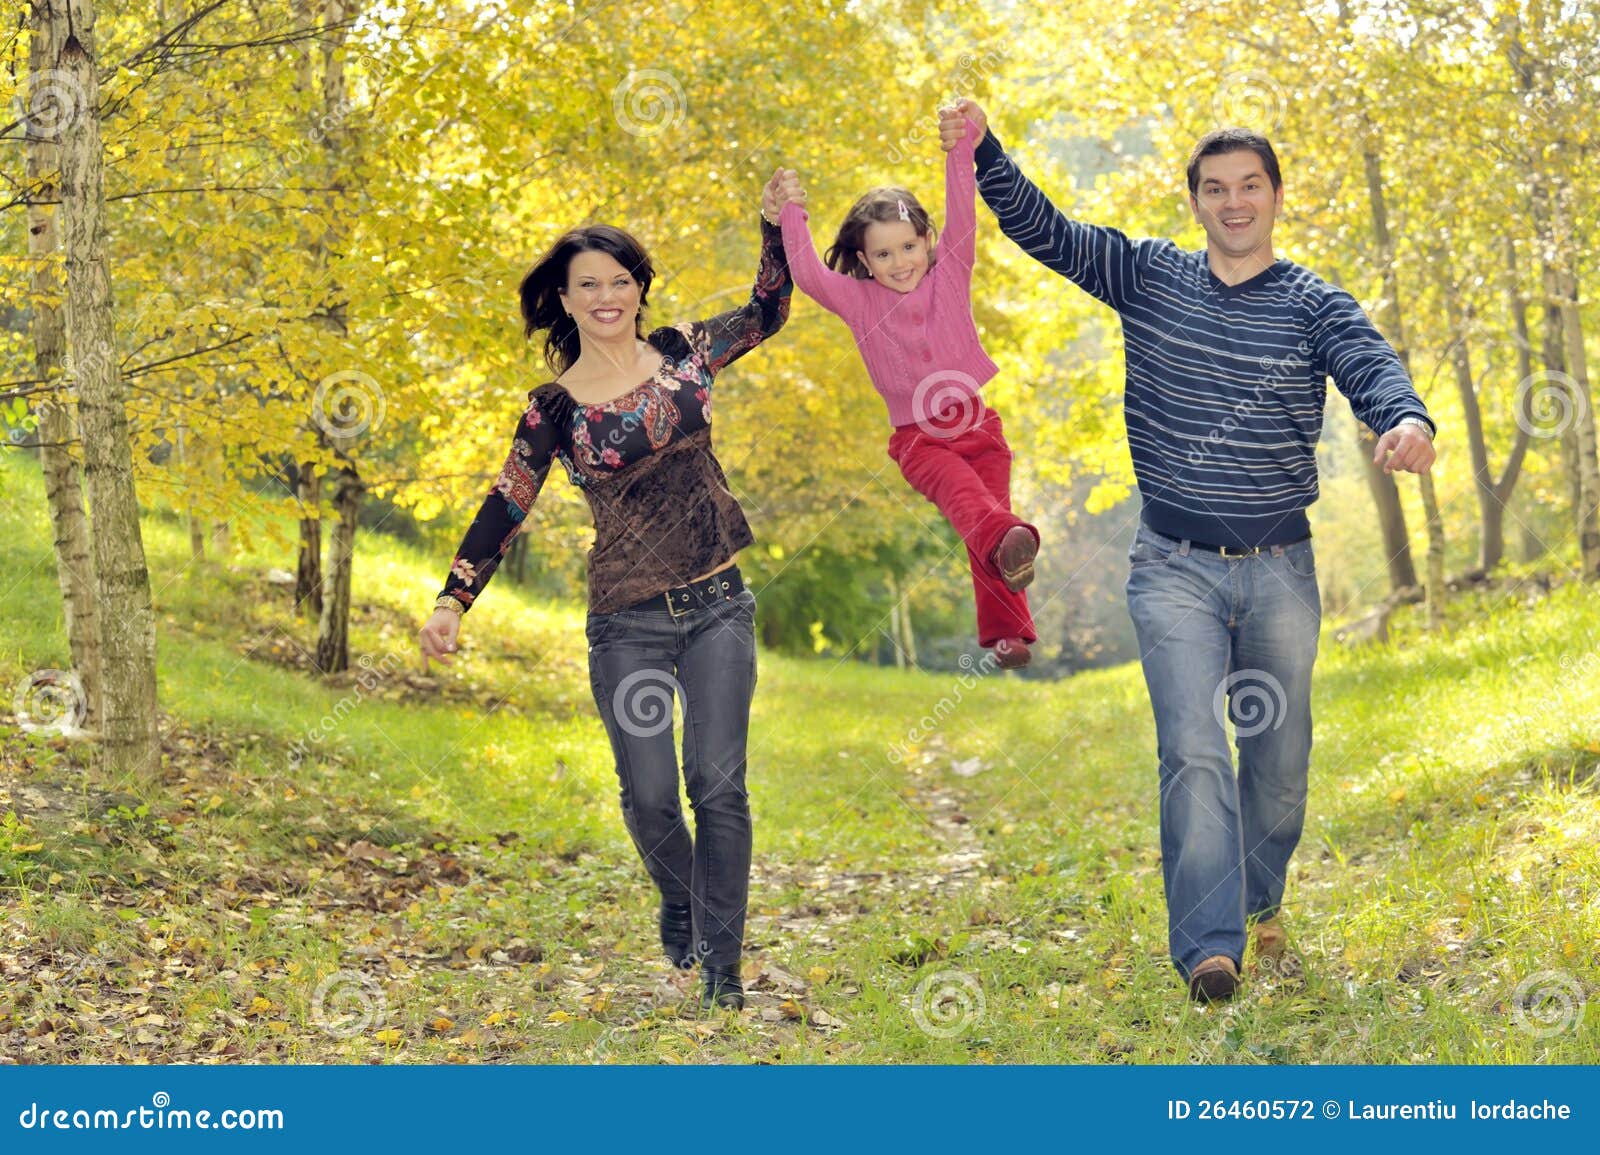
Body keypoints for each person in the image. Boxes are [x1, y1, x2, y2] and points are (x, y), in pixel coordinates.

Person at [940, 99, 1437, 1001]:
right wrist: (985, 152)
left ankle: (1256, 901)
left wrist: (1402, 418)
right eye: (1216, 188)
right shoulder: (1148, 275)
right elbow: (1047, 231)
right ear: (1197, 202)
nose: (1234, 201)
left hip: (1282, 567)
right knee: (1196, 750)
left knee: (1279, 762)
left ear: (1276, 197)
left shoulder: (1313, 301)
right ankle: (1210, 946)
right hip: (1172, 566)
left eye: (1250, 186)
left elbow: (1372, 364)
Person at [417, 171, 797, 1010]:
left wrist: (773, 225)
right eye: (587, 283)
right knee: (652, 795)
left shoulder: (685, 352)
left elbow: (768, 310)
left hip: (718, 605)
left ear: (638, 288)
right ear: (564, 296)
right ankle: (679, 897)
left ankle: (722, 967)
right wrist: (452, 599)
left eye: (619, 280)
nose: (606, 295)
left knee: (719, 783)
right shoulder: (553, 408)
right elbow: (507, 501)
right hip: (627, 622)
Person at [777, 114, 1040, 668]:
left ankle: (1006, 636)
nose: (900, 263)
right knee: (978, 512)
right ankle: (1012, 537)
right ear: (865, 260)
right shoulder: (857, 300)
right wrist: (790, 212)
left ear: (927, 240)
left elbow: (962, 205)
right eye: (883, 255)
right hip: (922, 442)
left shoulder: (953, 269)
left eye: (907, 247)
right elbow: (806, 274)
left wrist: (959, 148)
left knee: (986, 526)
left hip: (979, 427)